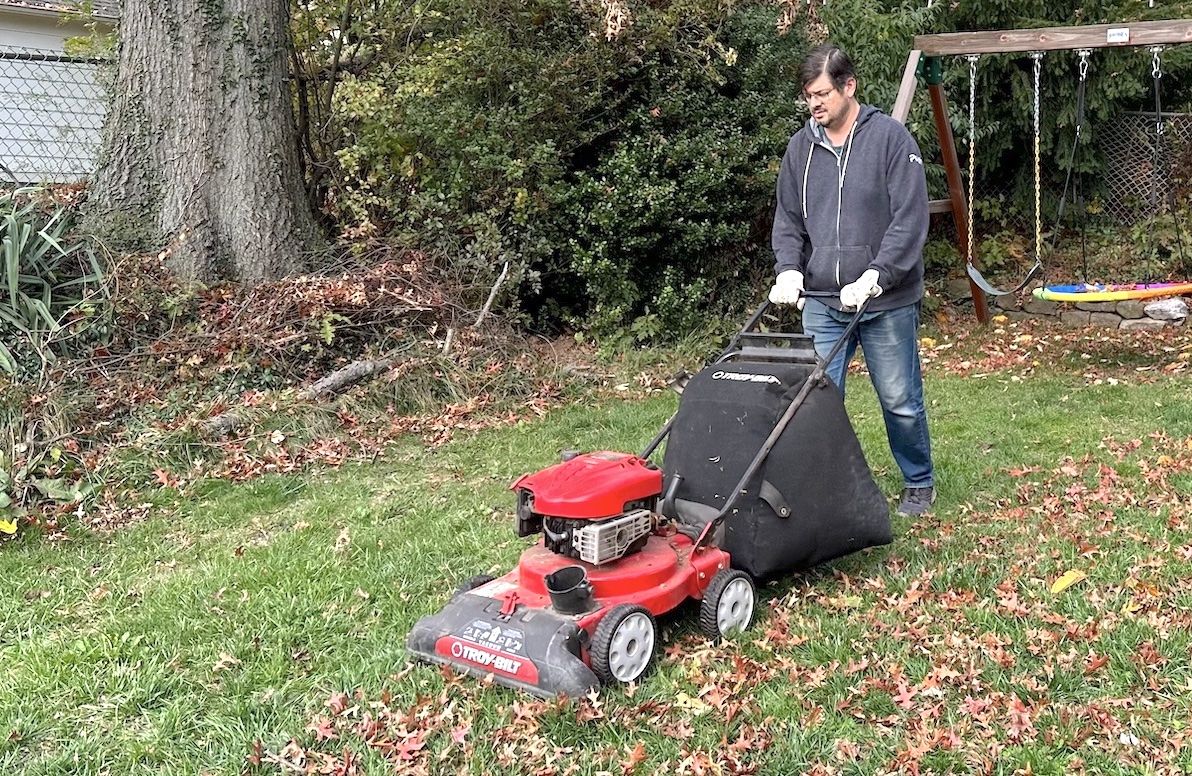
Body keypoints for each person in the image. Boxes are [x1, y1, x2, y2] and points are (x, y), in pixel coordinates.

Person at [768, 43, 936, 517]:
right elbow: (788, 220)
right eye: (808, 96)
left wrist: (876, 276)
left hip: (885, 301)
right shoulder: (801, 149)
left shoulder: (890, 140)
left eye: (822, 93)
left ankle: (919, 482)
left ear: (848, 86)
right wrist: (788, 269)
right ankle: (823, 488)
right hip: (822, 299)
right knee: (816, 401)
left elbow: (909, 219)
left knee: (900, 398)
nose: (815, 104)